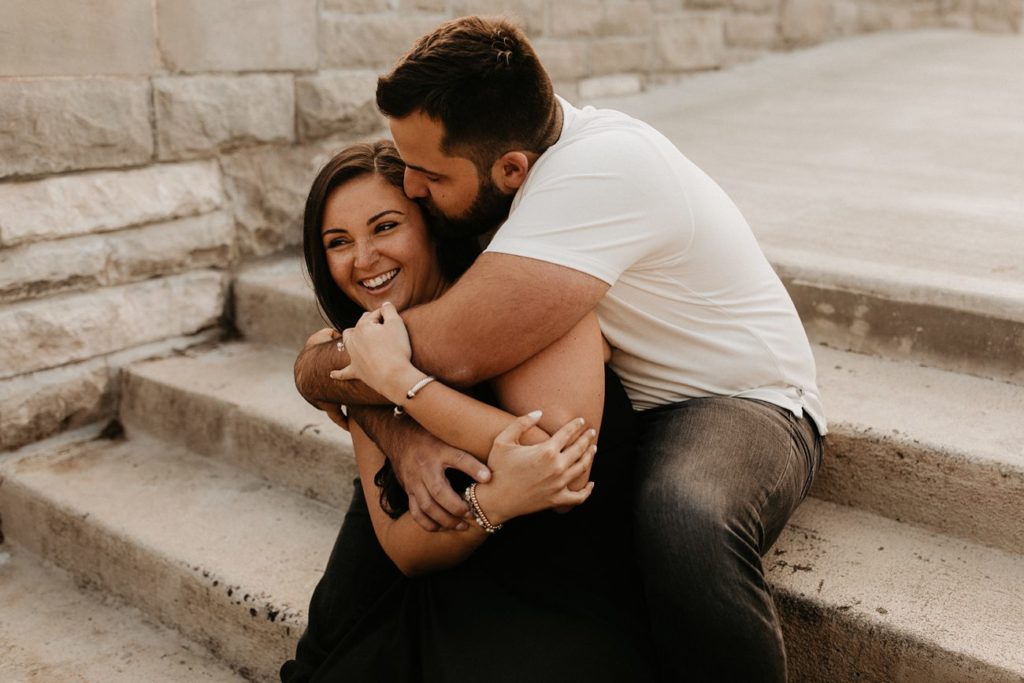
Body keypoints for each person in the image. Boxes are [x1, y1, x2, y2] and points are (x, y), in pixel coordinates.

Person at [293, 16, 827, 682]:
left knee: (683, 520)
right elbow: (371, 349)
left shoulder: (596, 175)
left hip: (740, 400)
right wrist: (382, 423)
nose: (412, 189)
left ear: (510, 168)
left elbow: (441, 351)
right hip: (629, 402)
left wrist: (358, 385)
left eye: (428, 174)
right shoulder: (520, 170)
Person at [281, 141, 656, 681]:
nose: (363, 259)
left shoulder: (521, 303)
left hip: (564, 599)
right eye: (339, 242)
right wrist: (490, 499)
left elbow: (556, 462)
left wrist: (402, 386)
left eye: (385, 227)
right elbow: (404, 549)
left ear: (431, 224)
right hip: (448, 593)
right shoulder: (361, 354)